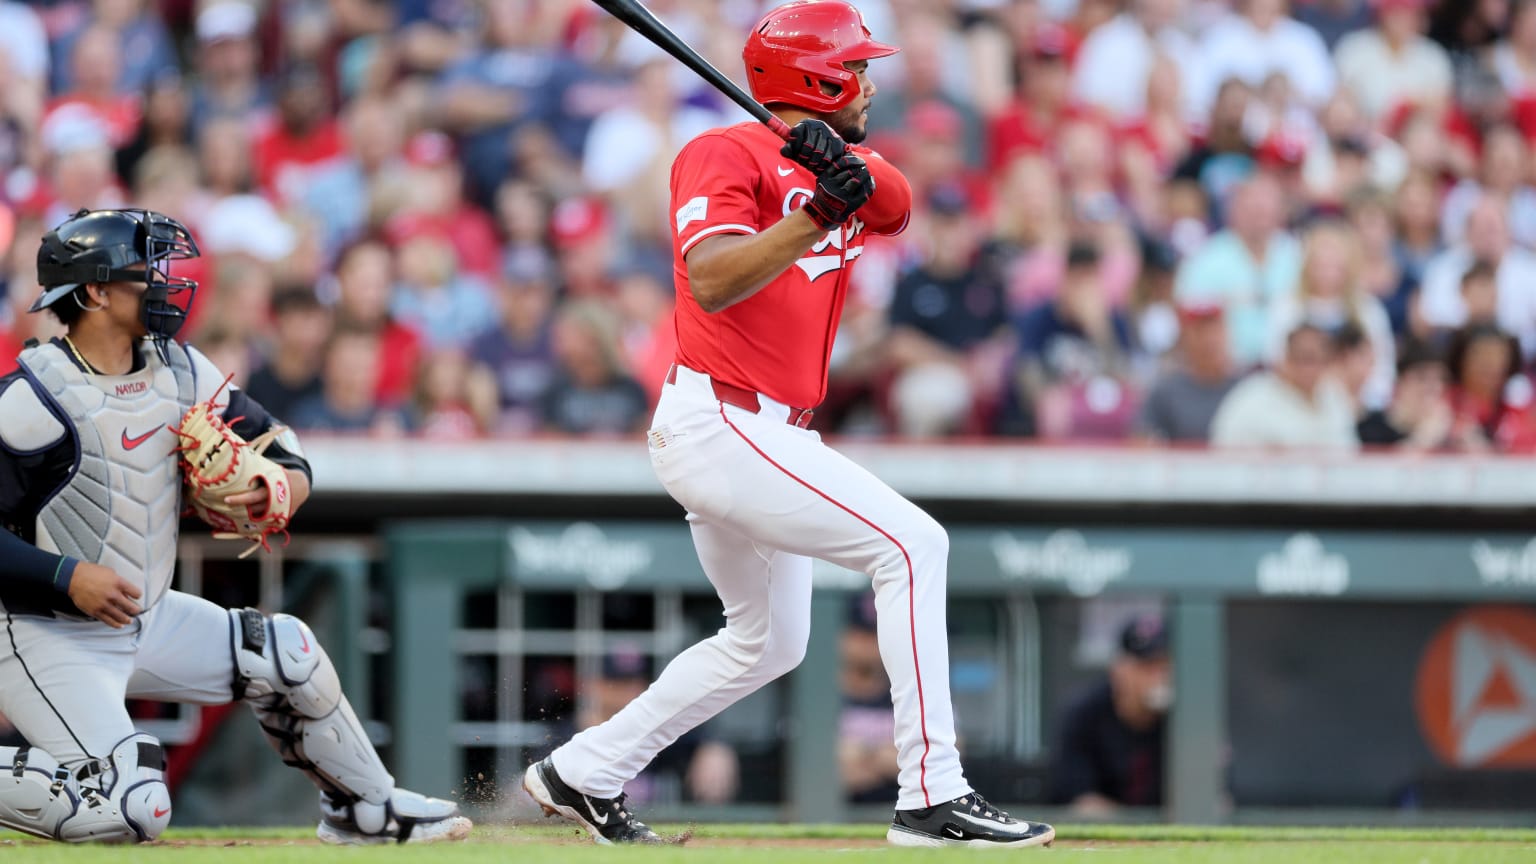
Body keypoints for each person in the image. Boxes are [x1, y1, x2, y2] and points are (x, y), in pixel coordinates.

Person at [522, 1, 1053, 849]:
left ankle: (582, 771)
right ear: (817, 77)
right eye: (857, 68)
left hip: (774, 431)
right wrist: (808, 213)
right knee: (914, 546)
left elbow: (897, 205)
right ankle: (932, 793)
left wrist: (833, 168)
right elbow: (713, 279)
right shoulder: (719, 152)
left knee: (766, 643)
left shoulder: (839, 158)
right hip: (720, 418)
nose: (872, 81)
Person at [0, 209, 470, 844]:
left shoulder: (182, 370)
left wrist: (274, 486)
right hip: (42, 633)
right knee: (132, 807)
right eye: (146, 271)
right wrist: (67, 575)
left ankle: (369, 809)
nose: (166, 283)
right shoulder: (32, 398)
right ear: (94, 292)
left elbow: (285, 452)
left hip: (146, 615)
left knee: (286, 653)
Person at [1049, 615, 1171, 815]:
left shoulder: (1188, 719)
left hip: (1170, 835)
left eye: (1165, 666)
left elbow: (1216, 799)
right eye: (1147, 667)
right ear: (1119, 670)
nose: (1159, 677)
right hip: (1100, 838)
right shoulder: (1084, 713)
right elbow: (1081, 802)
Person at [1209, 323, 1360, 451]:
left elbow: (1349, 453)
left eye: (1321, 360)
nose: (1312, 368)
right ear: (1286, 359)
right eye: (1306, 359)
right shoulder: (1252, 400)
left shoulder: (1334, 397)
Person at [1136, 301, 1241, 443]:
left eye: (1215, 329)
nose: (1209, 339)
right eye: (1200, 331)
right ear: (1184, 337)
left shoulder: (1245, 389)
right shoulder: (1166, 392)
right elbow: (1140, 440)